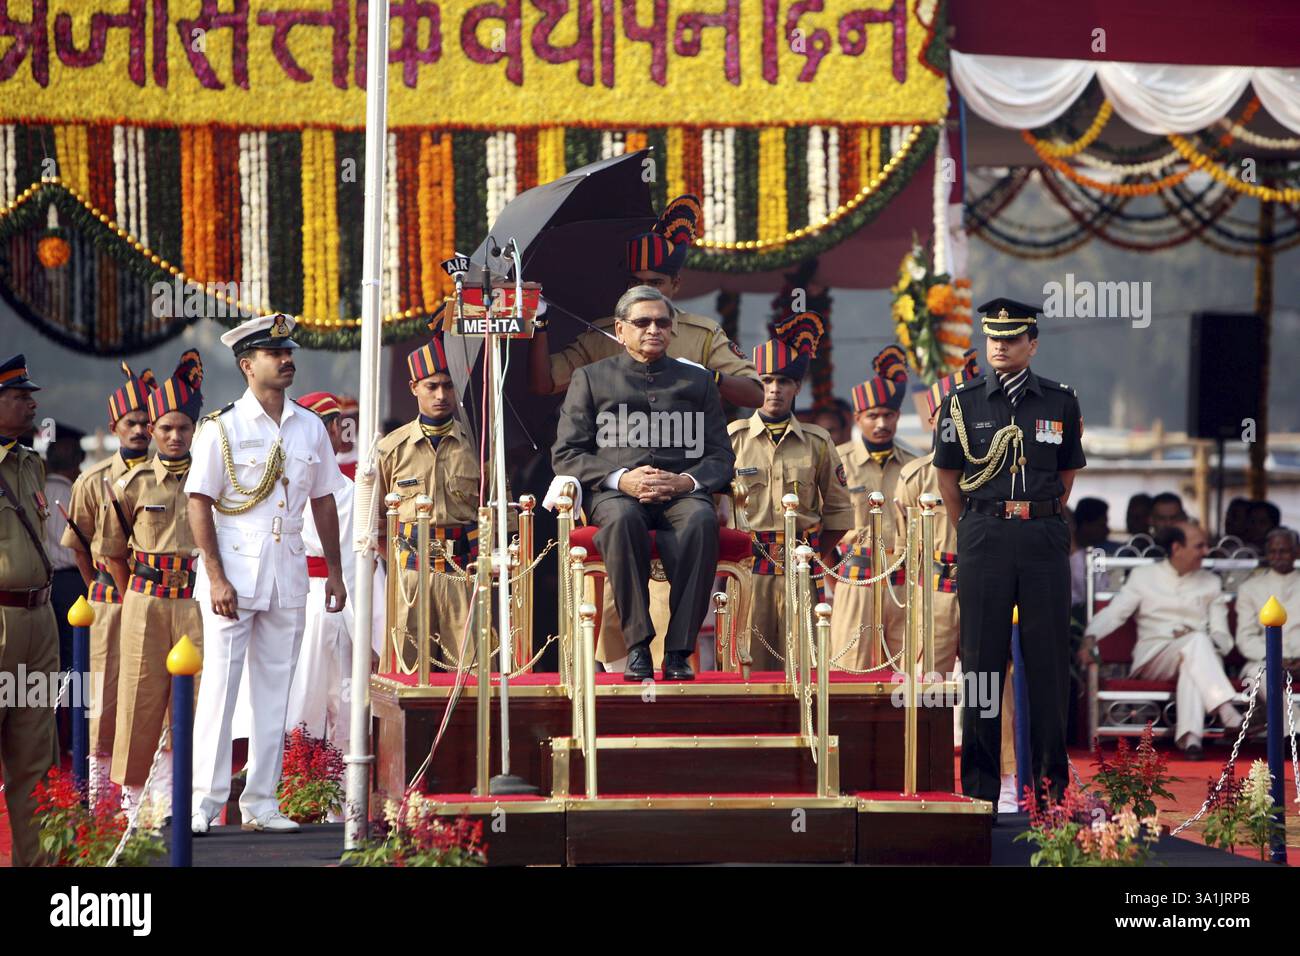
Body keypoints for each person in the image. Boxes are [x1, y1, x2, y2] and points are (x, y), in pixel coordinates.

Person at [187, 314, 347, 834]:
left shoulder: (308, 426)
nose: (286, 360)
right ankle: (204, 804)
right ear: (246, 365)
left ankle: (261, 803)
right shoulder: (222, 427)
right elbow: (198, 503)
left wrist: (337, 574)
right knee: (220, 688)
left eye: (288, 352)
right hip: (232, 566)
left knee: (274, 690)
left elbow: (323, 501)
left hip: (288, 569)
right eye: (273, 354)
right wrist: (214, 576)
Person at [934, 298, 1085, 806]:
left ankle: (1048, 793)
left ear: (1032, 344)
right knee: (980, 663)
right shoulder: (962, 401)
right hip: (984, 534)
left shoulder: (1060, 402)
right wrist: (979, 525)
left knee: (1047, 664)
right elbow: (949, 480)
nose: (1000, 345)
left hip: (1042, 535)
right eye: (993, 337)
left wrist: (1035, 512)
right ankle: (979, 793)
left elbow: (1065, 476)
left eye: (1012, 338)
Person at [552, 285, 735, 681]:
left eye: (662, 322)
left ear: (671, 330)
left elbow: (721, 456)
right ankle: (637, 646)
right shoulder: (590, 379)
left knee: (702, 523)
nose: (653, 329)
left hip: (680, 493)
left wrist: (686, 481)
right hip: (616, 492)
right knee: (621, 521)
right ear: (621, 330)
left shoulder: (697, 382)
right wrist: (622, 478)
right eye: (642, 322)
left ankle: (678, 651)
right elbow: (566, 453)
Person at [528, 195, 764, 410]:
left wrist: (709, 376)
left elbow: (756, 395)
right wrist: (540, 321)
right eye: (636, 282)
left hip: (685, 450)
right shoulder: (602, 334)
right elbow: (545, 383)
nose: (645, 290)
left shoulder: (702, 335)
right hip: (620, 450)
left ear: (676, 284)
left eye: (656, 282)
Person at [99, 351, 205, 821]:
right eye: (165, 428)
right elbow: (111, 550)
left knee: (198, 702)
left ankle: (190, 793)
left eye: (183, 427)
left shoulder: (211, 480)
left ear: (194, 430)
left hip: (197, 602)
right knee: (139, 698)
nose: (174, 436)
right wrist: (133, 596)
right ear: (154, 432)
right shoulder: (133, 483)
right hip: (145, 599)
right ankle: (133, 795)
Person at [727, 313, 852, 671]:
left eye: (784, 381)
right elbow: (713, 507)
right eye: (766, 380)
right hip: (748, 572)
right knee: (746, 667)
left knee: (803, 670)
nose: (774, 389)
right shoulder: (732, 439)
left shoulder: (817, 442)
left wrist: (812, 555)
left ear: (797, 387)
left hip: (800, 572)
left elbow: (840, 512)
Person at [61, 362, 155, 801]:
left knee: (152, 697)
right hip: (109, 603)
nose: (139, 430)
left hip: (157, 600)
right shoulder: (91, 480)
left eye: (145, 422)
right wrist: (99, 589)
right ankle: (100, 795)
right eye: (130, 423)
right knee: (105, 696)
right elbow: (77, 544)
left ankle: (146, 798)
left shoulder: (170, 474)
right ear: (114, 426)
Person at [377, 338, 498, 668]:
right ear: (414, 387)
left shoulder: (479, 445)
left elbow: (500, 516)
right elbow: (375, 524)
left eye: (447, 385)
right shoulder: (391, 449)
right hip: (410, 575)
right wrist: (399, 566)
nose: (441, 395)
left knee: (471, 669)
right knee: (405, 666)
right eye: (432, 386)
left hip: (464, 570)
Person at [1083, 521, 1242, 759]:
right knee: (1195, 643)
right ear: (1177, 548)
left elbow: (1222, 637)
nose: (1206, 552)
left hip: (1199, 659)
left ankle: (1192, 742)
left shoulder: (1211, 582)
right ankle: (1226, 710)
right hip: (1154, 658)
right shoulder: (1143, 576)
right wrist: (1089, 637)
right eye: (1199, 546)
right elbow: (1115, 613)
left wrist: (1200, 637)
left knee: (1194, 651)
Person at [287, 391, 383, 763]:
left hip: (340, 601)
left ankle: (338, 797)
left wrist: (367, 628)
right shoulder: (282, 483)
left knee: (342, 703)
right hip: (297, 600)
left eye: (324, 427)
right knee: (299, 699)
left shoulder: (355, 490)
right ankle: (293, 788)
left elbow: (363, 562)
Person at [0, 355, 60, 866]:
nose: (32, 403)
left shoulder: (30, 462)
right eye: (20, 397)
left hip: (38, 622)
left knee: (35, 758)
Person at [829, 346, 918, 670]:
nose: (881, 423)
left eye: (889, 415)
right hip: (856, 578)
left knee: (906, 675)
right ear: (858, 418)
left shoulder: (914, 465)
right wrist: (833, 577)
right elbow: (820, 526)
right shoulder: (837, 460)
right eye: (873, 416)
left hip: (902, 583)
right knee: (847, 670)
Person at [1234, 527, 1300, 719]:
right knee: (1257, 674)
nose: (1278, 556)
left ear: (1297, 552)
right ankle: (1294, 730)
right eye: (1273, 552)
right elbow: (1245, 638)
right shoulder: (1249, 588)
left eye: (1284, 551)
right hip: (1264, 660)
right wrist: (1277, 659)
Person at [42, 423, 86, 690]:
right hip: (72, 583)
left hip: (40, 587)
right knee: (74, 661)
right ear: (78, 461)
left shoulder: (32, 491)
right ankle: (72, 725)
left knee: (47, 661)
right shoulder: (75, 494)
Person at [1070, 496, 1117, 607]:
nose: (1107, 530)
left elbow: (1101, 589)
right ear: (1086, 525)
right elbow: (1090, 593)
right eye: (1101, 524)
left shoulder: (1097, 552)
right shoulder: (1064, 553)